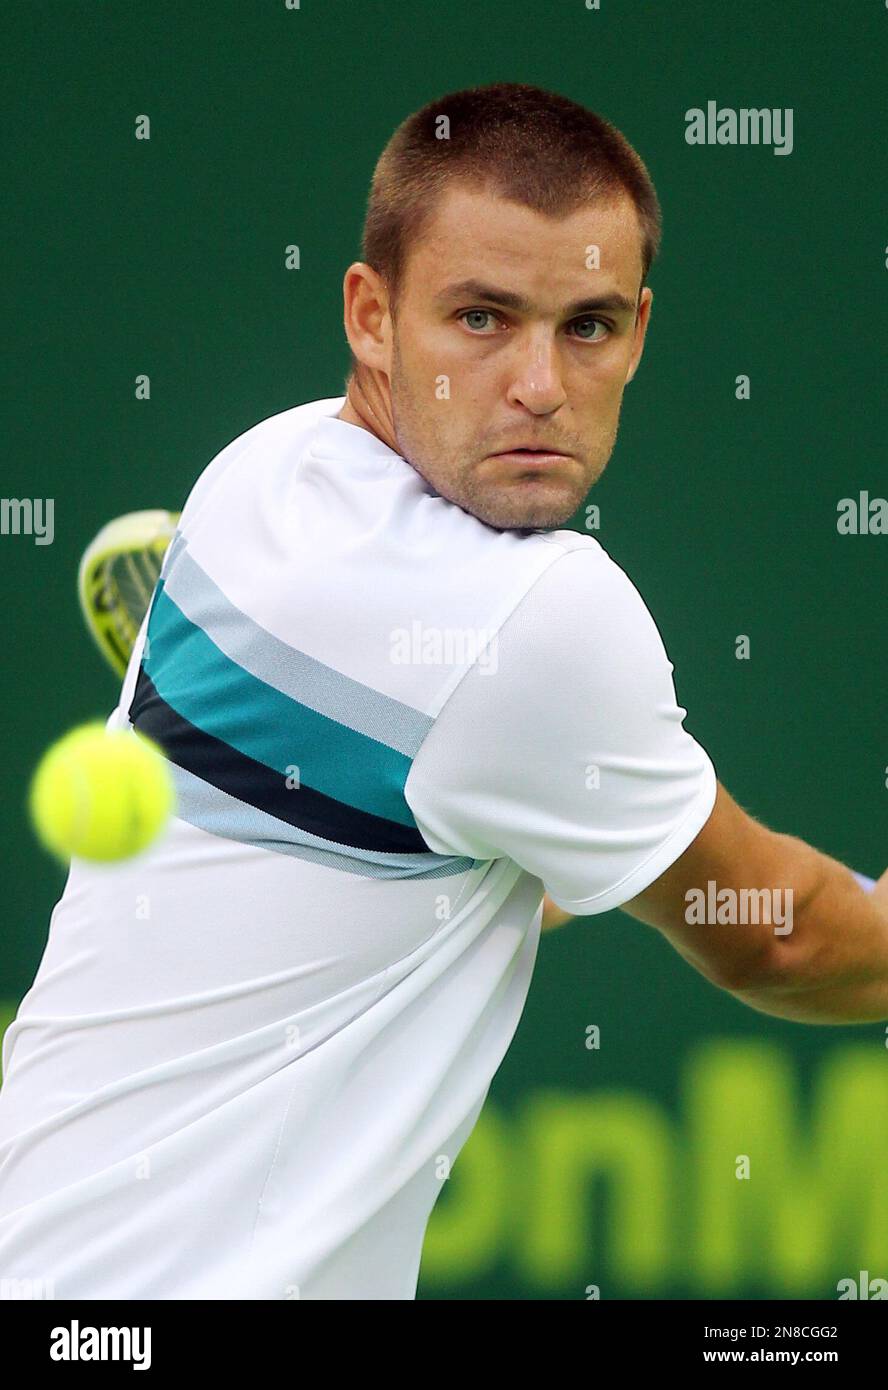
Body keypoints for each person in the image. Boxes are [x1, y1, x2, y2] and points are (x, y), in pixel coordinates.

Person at [1, 82, 886, 1302]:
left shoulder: (259, 475)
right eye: (482, 317)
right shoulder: (534, 619)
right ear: (372, 316)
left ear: (639, 328)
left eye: (586, 327)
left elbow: (416, 864)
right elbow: (780, 938)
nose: (537, 383)